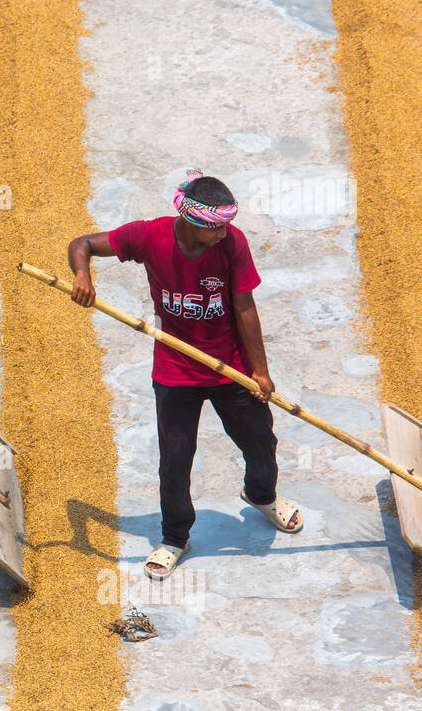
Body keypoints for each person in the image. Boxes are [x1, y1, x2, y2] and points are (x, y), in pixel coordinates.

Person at [67, 169, 302, 581]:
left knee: (261, 442)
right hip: (175, 371)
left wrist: (260, 371)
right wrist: (82, 274)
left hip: (230, 368)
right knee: (175, 462)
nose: (223, 235)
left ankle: (262, 496)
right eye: (215, 228)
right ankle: (175, 537)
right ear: (192, 221)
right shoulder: (148, 236)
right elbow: (82, 244)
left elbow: (245, 307)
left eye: (226, 227)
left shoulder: (232, 244)